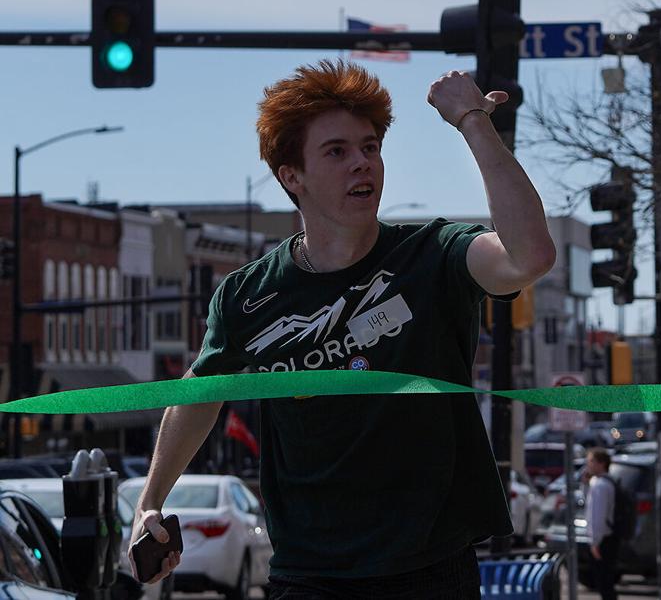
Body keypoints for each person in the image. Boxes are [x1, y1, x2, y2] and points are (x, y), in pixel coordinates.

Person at [130, 60, 557, 599]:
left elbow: (530, 255)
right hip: (308, 575)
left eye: (371, 147)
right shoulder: (248, 295)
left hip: (429, 570)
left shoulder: (434, 255)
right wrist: (150, 501)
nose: (363, 163)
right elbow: (199, 394)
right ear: (292, 176)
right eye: (338, 151)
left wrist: (473, 121)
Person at [583, 448, 619, 600]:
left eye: (591, 461)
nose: (588, 465)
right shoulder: (602, 482)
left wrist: (595, 542)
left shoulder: (601, 485)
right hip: (608, 537)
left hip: (604, 539)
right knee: (605, 581)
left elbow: (597, 516)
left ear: (601, 463)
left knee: (604, 582)